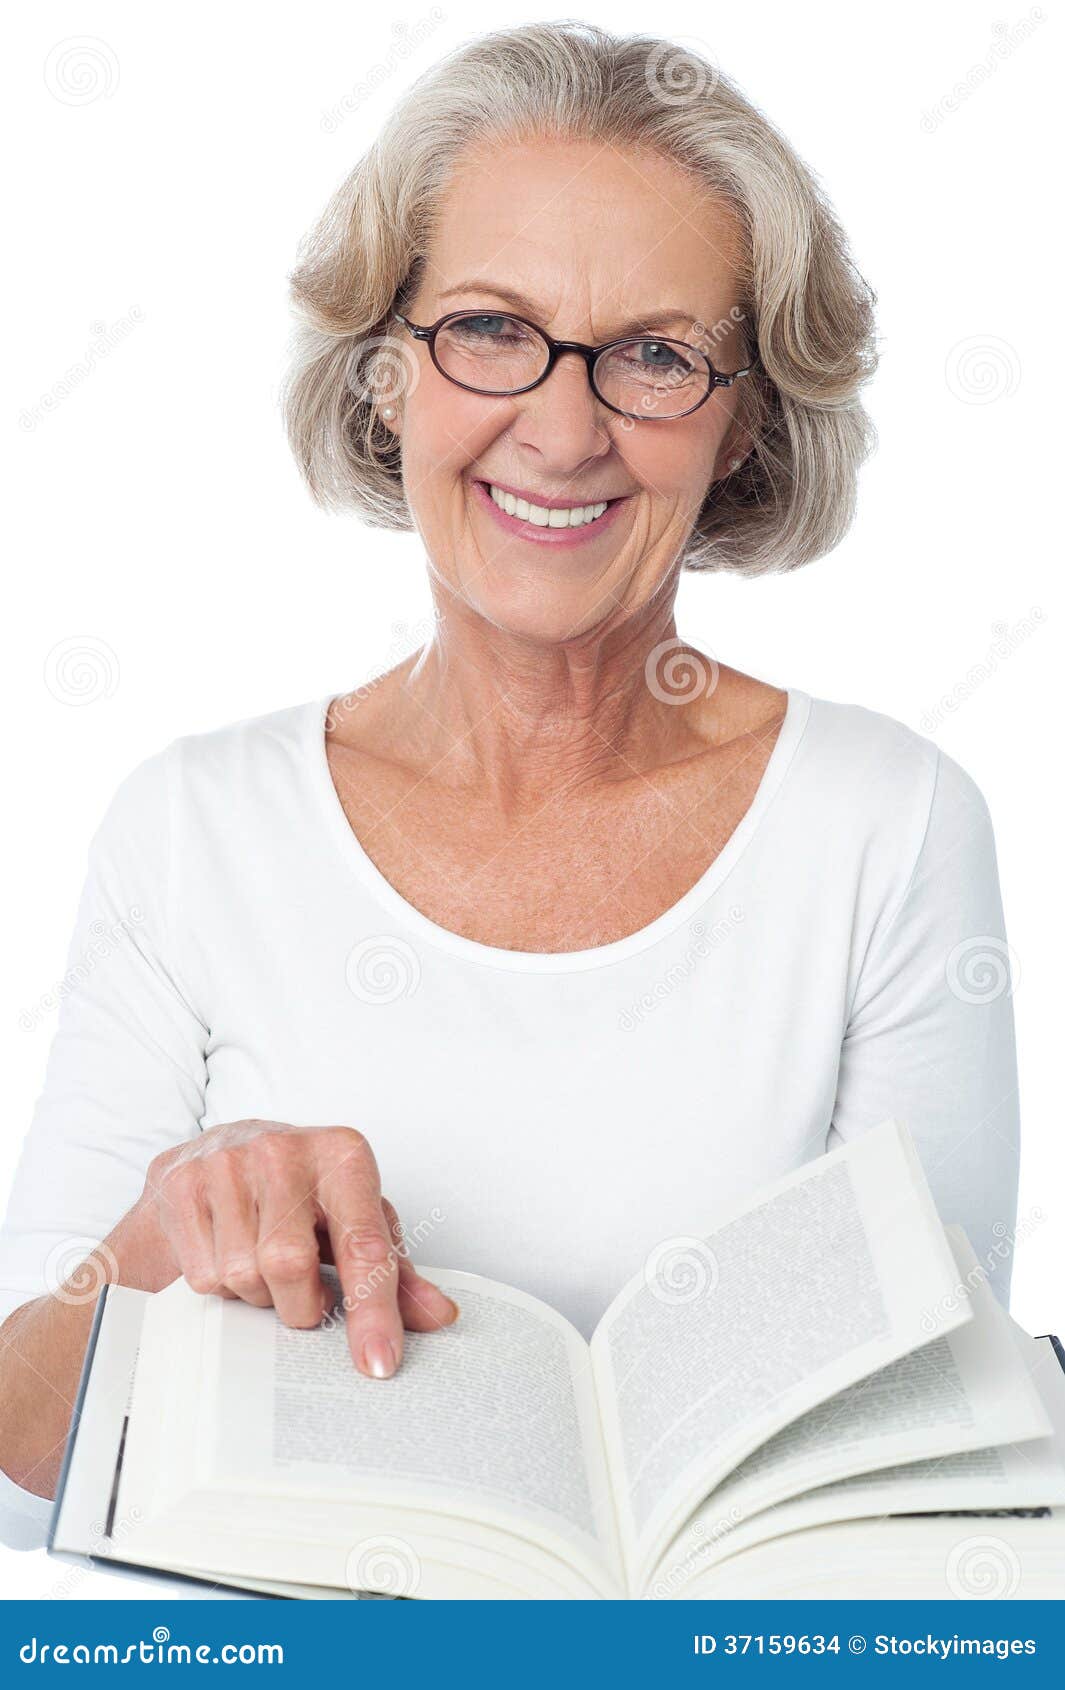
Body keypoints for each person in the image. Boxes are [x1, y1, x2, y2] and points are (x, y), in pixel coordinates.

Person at [0, 21, 1019, 1552]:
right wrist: (157, 1239)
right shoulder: (190, 829)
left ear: (743, 419)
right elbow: (14, 1481)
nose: (559, 429)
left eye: (655, 355)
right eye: (489, 328)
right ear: (387, 371)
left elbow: (918, 1475)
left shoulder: (891, 824)